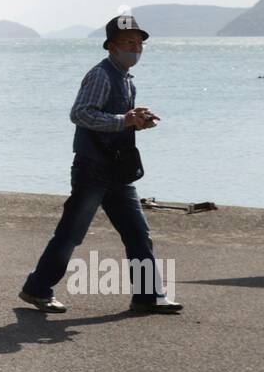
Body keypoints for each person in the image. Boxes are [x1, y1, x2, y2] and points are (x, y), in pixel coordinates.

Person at [19, 16, 183, 315]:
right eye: (128, 43)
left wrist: (135, 117)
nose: (136, 48)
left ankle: (148, 296)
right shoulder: (102, 75)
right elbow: (80, 114)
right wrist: (124, 120)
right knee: (71, 233)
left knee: (138, 233)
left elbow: (113, 118)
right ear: (111, 47)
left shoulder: (125, 78)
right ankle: (37, 288)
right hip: (93, 169)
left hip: (116, 171)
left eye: (139, 43)